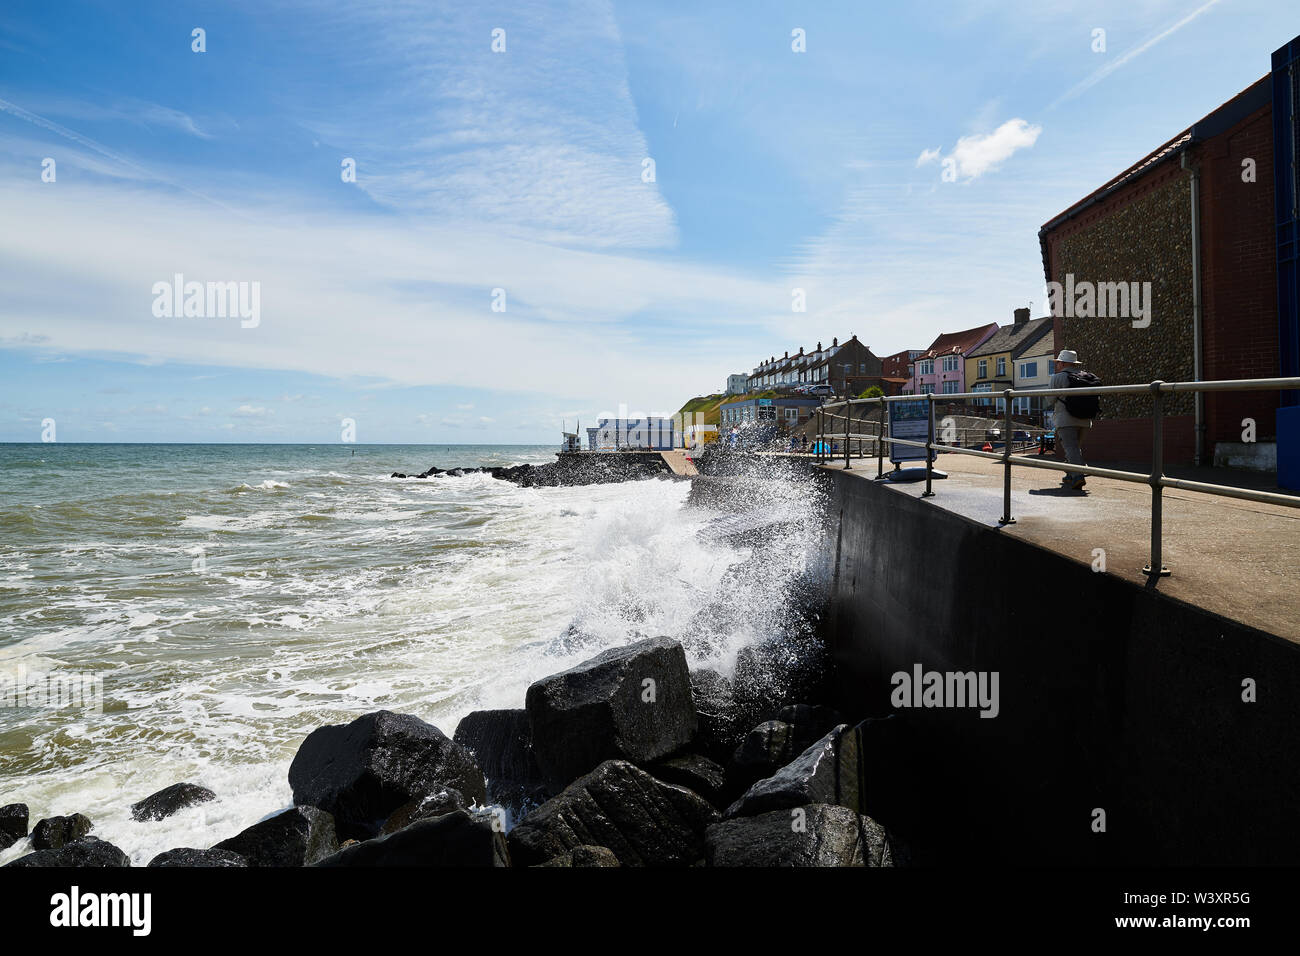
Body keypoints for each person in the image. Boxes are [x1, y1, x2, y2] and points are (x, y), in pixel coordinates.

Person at [1050, 349, 1093, 490]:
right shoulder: (1086, 376)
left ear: (1062, 363)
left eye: (1057, 363)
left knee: (1070, 448)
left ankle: (1078, 476)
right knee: (1075, 449)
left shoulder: (1058, 378)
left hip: (1066, 419)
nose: (1056, 365)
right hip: (1086, 419)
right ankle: (1070, 475)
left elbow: (1050, 399)